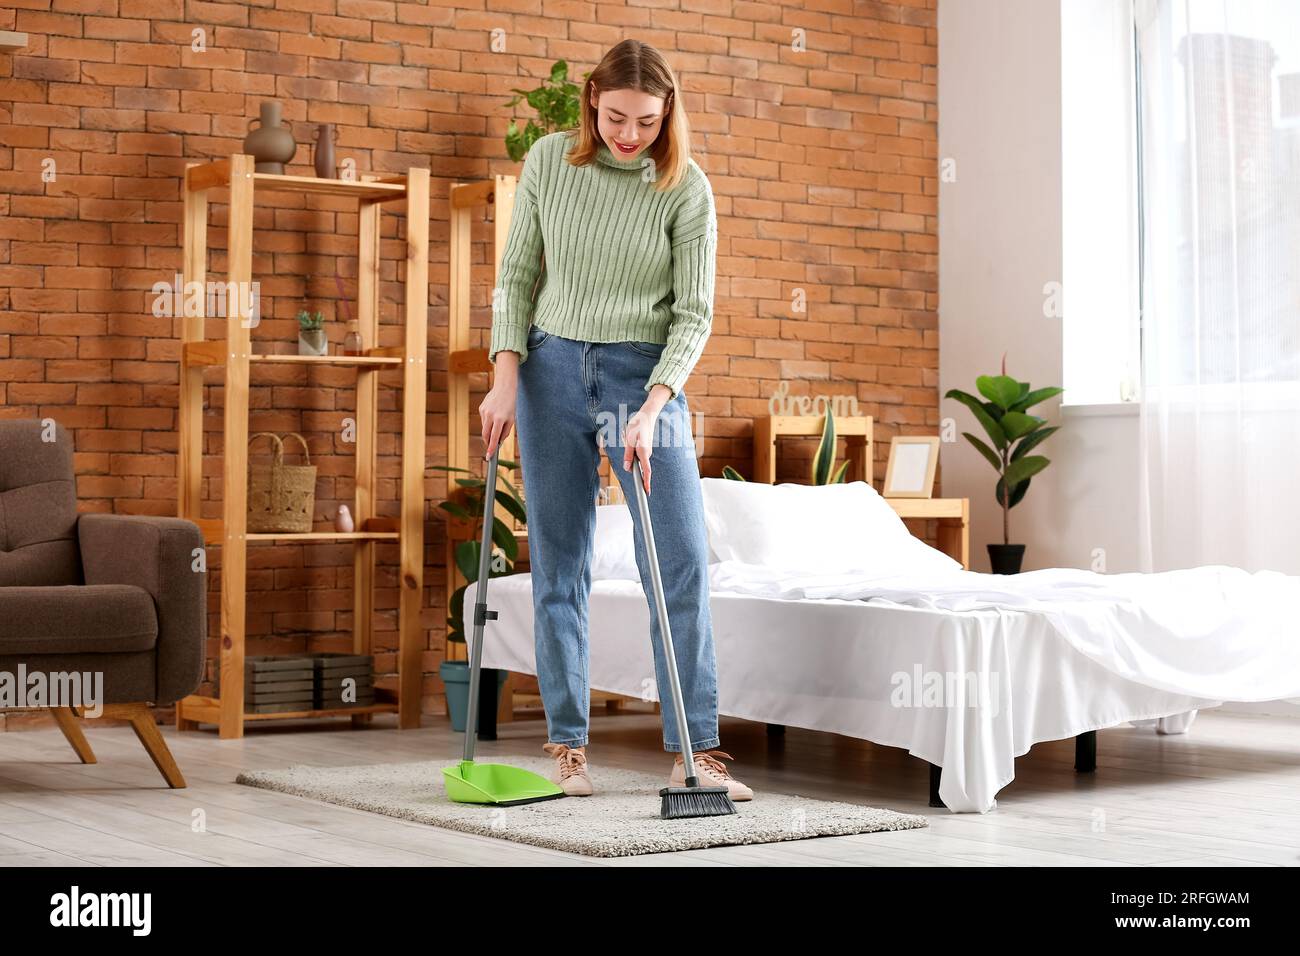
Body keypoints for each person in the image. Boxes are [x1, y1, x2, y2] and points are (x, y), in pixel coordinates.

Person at [479, 39, 752, 801]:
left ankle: (695, 753)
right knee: (560, 563)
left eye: (646, 121)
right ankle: (567, 747)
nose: (629, 135)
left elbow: (694, 316)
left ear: (669, 116)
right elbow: (517, 277)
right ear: (591, 100)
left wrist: (655, 405)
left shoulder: (686, 188)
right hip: (550, 370)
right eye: (615, 118)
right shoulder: (546, 165)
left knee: (681, 559)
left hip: (644, 376)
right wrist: (506, 378)